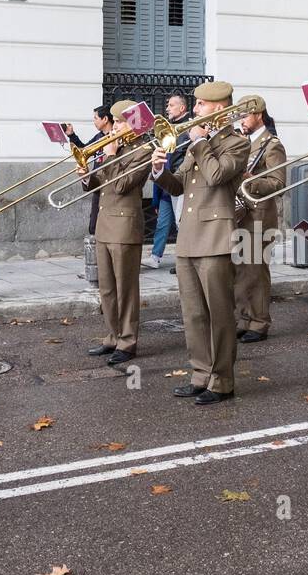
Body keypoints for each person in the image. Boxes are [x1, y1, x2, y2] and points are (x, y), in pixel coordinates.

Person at [151, 81, 250, 405]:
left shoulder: (236, 143)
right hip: (190, 236)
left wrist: (201, 143)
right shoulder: (197, 143)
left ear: (218, 108)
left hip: (216, 238)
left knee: (219, 314)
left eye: (199, 105)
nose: (194, 111)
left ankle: (222, 381)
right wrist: (159, 172)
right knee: (193, 313)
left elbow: (218, 176)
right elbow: (179, 185)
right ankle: (200, 374)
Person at [80, 100, 148, 365]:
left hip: (125, 226)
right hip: (104, 224)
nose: (114, 126)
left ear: (131, 125)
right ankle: (112, 335)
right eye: (115, 122)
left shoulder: (142, 151)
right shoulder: (112, 146)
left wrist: (110, 155)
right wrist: (86, 174)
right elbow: (98, 182)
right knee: (106, 287)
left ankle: (128, 340)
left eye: (119, 122)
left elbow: (121, 185)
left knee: (126, 288)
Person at [233, 96, 285, 343]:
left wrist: (249, 179)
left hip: (259, 216)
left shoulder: (272, 144)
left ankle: (260, 322)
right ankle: (244, 318)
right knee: (241, 270)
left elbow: (278, 183)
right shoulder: (242, 142)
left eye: (244, 116)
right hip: (241, 214)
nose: (241, 120)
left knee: (256, 271)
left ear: (259, 114)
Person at [146, 94, 191, 270]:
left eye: (171, 105)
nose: (167, 108)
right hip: (166, 186)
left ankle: (184, 260)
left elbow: (181, 158)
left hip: (179, 183)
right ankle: (155, 257)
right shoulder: (169, 128)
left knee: (182, 224)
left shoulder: (188, 128)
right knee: (162, 223)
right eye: (168, 105)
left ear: (182, 108)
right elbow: (165, 156)